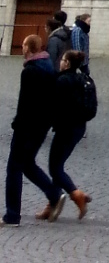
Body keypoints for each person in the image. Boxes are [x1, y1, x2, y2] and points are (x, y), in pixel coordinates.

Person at [4, 35, 58, 226]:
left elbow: (24, 103)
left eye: (23, 44)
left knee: (14, 168)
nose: (21, 47)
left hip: (26, 127)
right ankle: (54, 194)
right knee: (27, 164)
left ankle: (12, 215)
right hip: (42, 126)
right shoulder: (48, 66)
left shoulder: (30, 71)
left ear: (29, 48)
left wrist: (17, 124)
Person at [43, 51, 91, 221]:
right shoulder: (81, 78)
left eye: (63, 59)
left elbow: (54, 106)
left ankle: (76, 195)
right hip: (78, 128)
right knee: (58, 165)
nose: (60, 62)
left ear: (68, 64)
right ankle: (52, 205)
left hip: (66, 128)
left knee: (55, 168)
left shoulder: (62, 81)